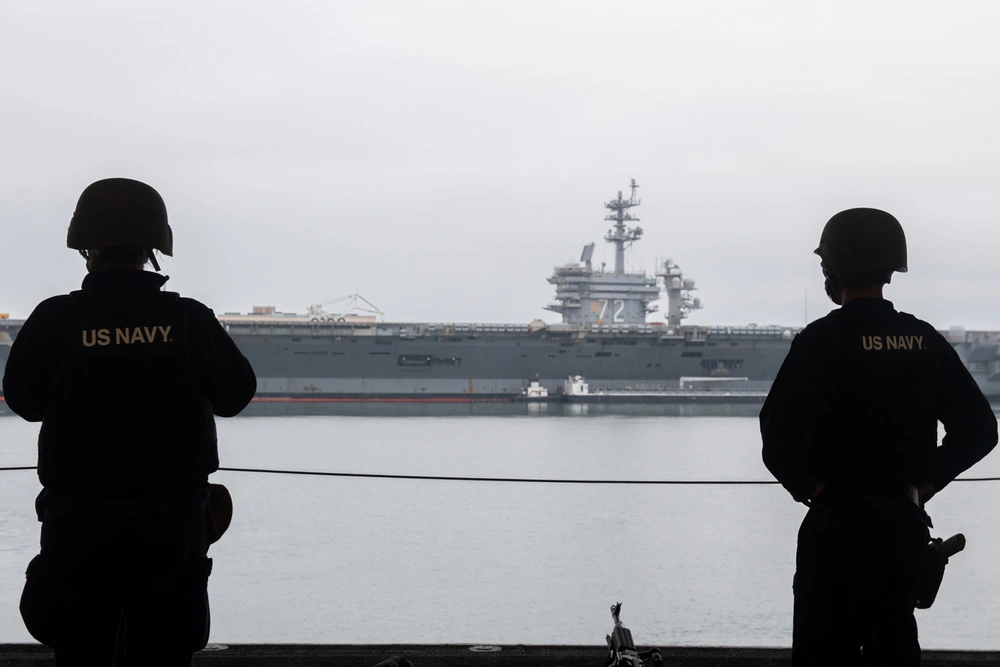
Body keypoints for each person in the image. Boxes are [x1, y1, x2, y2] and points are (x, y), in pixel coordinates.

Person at [2, 178, 257, 666]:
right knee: (164, 653)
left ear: (85, 249)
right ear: (152, 250)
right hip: (171, 528)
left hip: (76, 525)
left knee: (80, 653)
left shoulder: (54, 319)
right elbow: (236, 395)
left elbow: (23, 401)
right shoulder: (189, 320)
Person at [760, 207, 997, 666]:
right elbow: (980, 430)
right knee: (895, 647)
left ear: (834, 267)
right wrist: (927, 483)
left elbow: (776, 430)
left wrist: (807, 487)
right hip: (900, 525)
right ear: (891, 267)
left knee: (823, 654)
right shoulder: (923, 339)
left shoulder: (820, 339)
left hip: (836, 525)